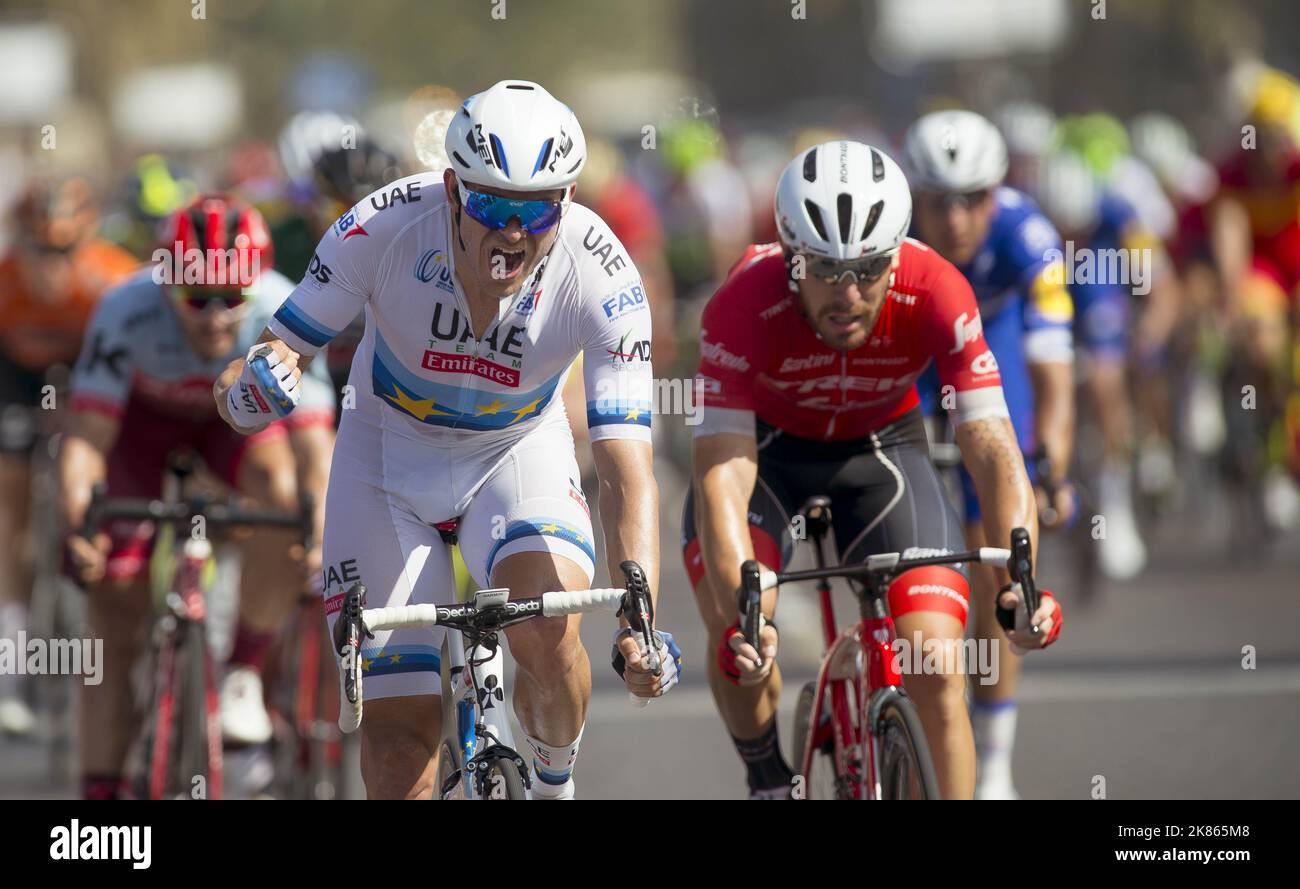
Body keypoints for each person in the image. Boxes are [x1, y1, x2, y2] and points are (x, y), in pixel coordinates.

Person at [213, 79, 682, 800]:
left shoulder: (602, 270)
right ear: (453, 190)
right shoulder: (383, 226)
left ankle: (555, 787)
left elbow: (626, 468)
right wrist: (251, 394)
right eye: (493, 204)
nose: (514, 233)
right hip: (385, 463)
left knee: (547, 638)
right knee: (401, 749)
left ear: (569, 199)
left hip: (516, 452)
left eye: (538, 210)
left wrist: (639, 611)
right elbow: (248, 383)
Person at [685, 140, 1062, 800]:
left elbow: (991, 447)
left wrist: (1016, 582)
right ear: (790, 258)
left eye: (868, 268)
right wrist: (742, 606)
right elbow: (722, 469)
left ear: (895, 254)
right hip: (765, 458)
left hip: (881, 451)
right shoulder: (742, 304)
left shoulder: (938, 288)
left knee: (939, 663)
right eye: (826, 270)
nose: (850, 293)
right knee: (745, 636)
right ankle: (768, 778)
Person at [59, 195, 336, 799]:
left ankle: (243, 669)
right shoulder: (124, 308)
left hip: (231, 427)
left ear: (255, 286)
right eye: (196, 297)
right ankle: (102, 802)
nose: (215, 316)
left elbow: (316, 446)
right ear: (165, 284)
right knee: (114, 607)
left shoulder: (283, 307)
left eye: (231, 298)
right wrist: (81, 522)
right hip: (140, 428)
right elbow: (86, 439)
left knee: (282, 496)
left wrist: (318, 529)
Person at [902, 109, 1075, 799]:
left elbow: (1052, 373)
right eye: (938, 201)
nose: (956, 217)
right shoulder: (896, 235)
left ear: (997, 193)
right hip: (915, 350)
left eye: (973, 197)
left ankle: (994, 756)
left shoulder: (1028, 238)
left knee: (994, 553)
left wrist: (1050, 464)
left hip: (992, 347)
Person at [0, 176, 137, 735]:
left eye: (65, 251)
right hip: (13, 379)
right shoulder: (5, 281)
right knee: (11, 508)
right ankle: (11, 659)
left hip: (86, 378)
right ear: (17, 243)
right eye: (39, 251)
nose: (53, 268)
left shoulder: (112, 277)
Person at [1035, 149, 1176, 580]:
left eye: (1079, 228)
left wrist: (1150, 334)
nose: (1071, 236)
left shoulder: (1120, 220)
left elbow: (1162, 287)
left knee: (1105, 379)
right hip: (1053, 310)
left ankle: (1116, 500)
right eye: (1064, 230)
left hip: (1102, 309)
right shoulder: (1033, 229)